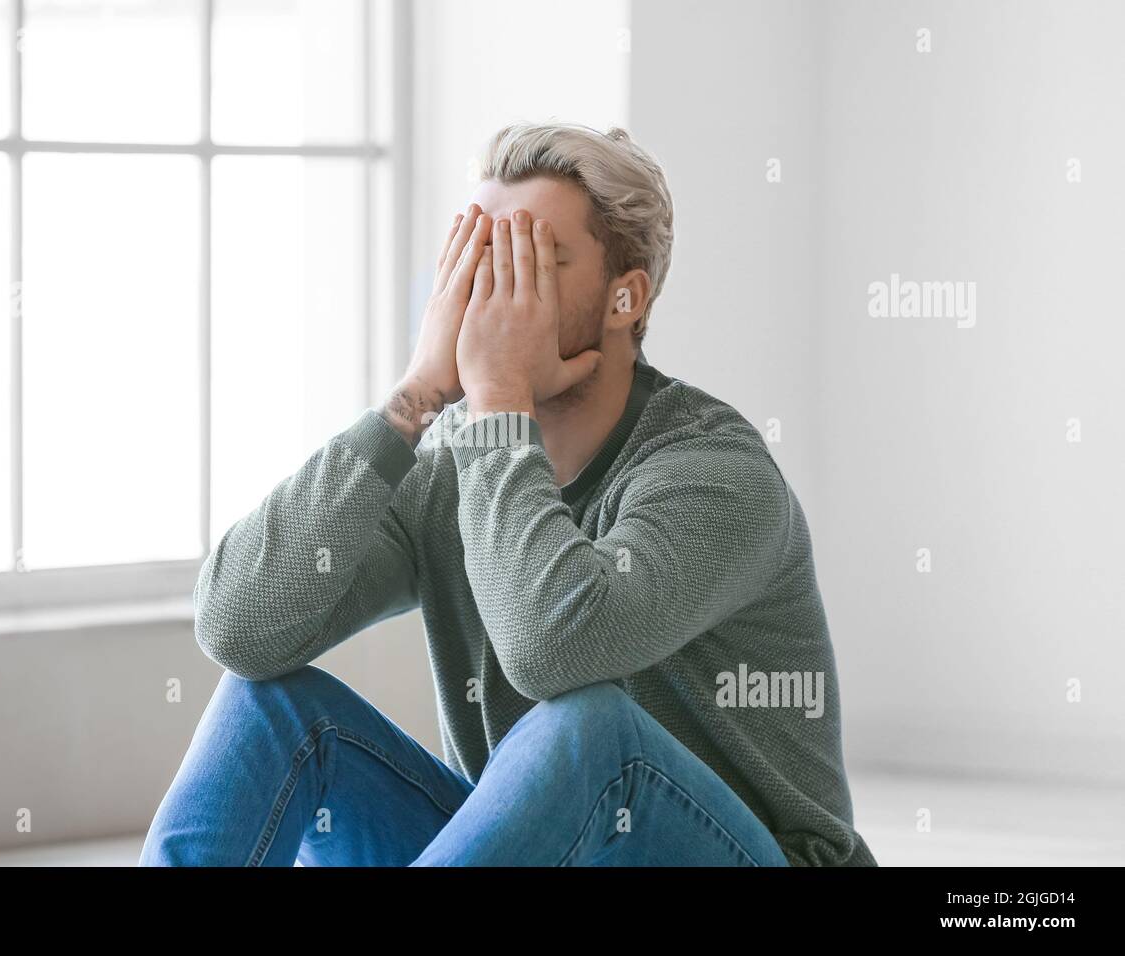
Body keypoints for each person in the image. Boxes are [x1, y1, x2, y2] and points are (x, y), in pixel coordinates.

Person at [139, 121, 877, 867]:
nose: (490, 297)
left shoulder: (715, 473)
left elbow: (550, 652)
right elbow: (239, 626)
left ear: (626, 299)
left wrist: (496, 398)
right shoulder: (454, 464)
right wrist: (413, 400)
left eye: (531, 264)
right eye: (479, 260)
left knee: (587, 725)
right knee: (270, 707)